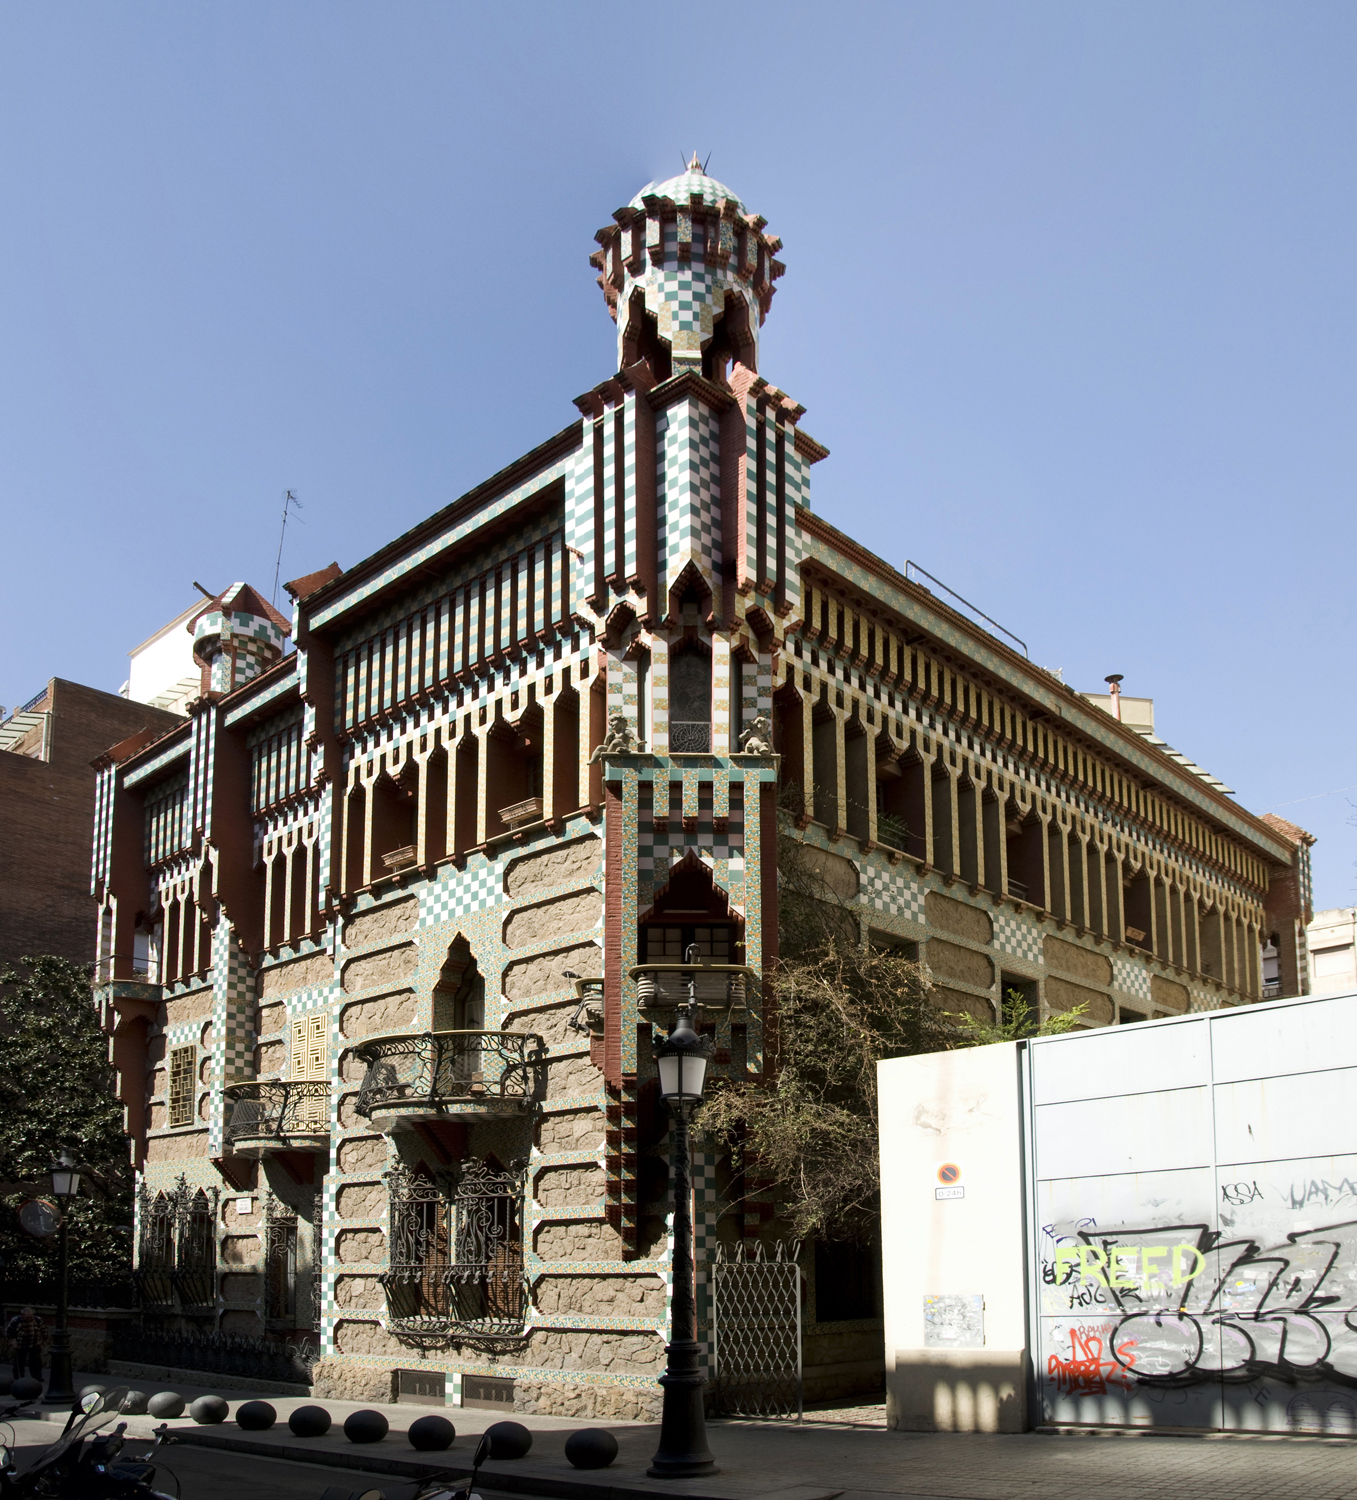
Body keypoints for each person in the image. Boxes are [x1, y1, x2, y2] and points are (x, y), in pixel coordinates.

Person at [6, 1306, 45, 1383]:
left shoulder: (37, 1320)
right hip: (20, 1344)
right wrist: (13, 1341)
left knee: (36, 1361)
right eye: (27, 1317)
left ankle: (37, 1377)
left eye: (31, 1317)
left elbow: (44, 1330)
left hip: (34, 1343)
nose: (29, 1319)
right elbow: (8, 1332)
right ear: (22, 1315)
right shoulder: (16, 1321)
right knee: (19, 1361)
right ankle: (19, 1377)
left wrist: (42, 1342)